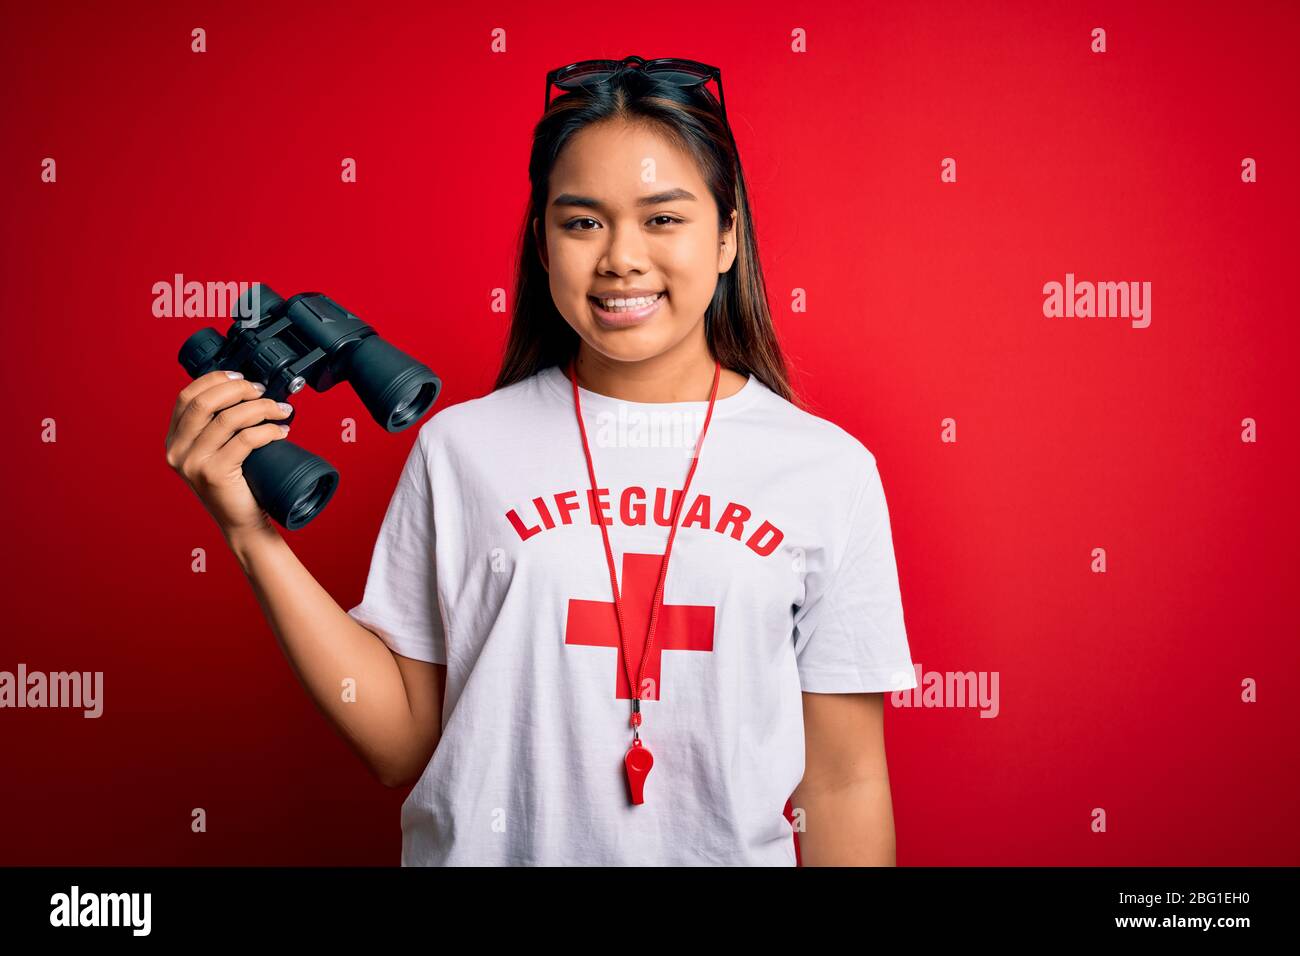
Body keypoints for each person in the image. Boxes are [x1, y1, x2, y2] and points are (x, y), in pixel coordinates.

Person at [163, 55, 918, 866]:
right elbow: (399, 743)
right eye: (582, 221)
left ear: (729, 235)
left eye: (663, 219)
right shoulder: (461, 448)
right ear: (541, 240)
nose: (621, 257)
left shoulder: (826, 471)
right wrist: (250, 535)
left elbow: (842, 784)